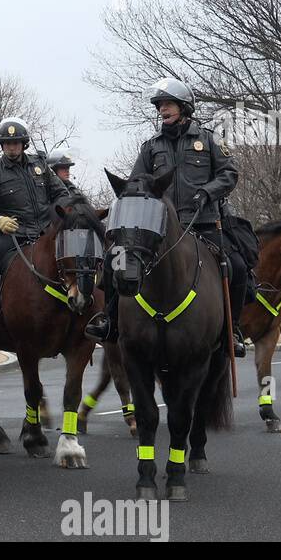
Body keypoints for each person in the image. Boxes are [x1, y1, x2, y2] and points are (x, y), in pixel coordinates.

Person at [84, 77, 247, 357]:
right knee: (115, 261)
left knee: (237, 266)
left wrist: (207, 192)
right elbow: (136, 183)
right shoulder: (151, 147)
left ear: (184, 107)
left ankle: (233, 329)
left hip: (202, 223)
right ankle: (110, 320)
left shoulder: (208, 140)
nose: (162, 110)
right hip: (159, 230)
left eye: (168, 104)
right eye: (160, 106)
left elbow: (229, 174)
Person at [0, 117, 70, 333]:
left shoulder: (40, 165)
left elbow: (61, 193)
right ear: (2, 145)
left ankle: (83, 303)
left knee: (75, 256)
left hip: (45, 231)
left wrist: (60, 215)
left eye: (15, 143)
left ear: (23, 144)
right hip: (11, 233)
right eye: (7, 143)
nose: (11, 147)